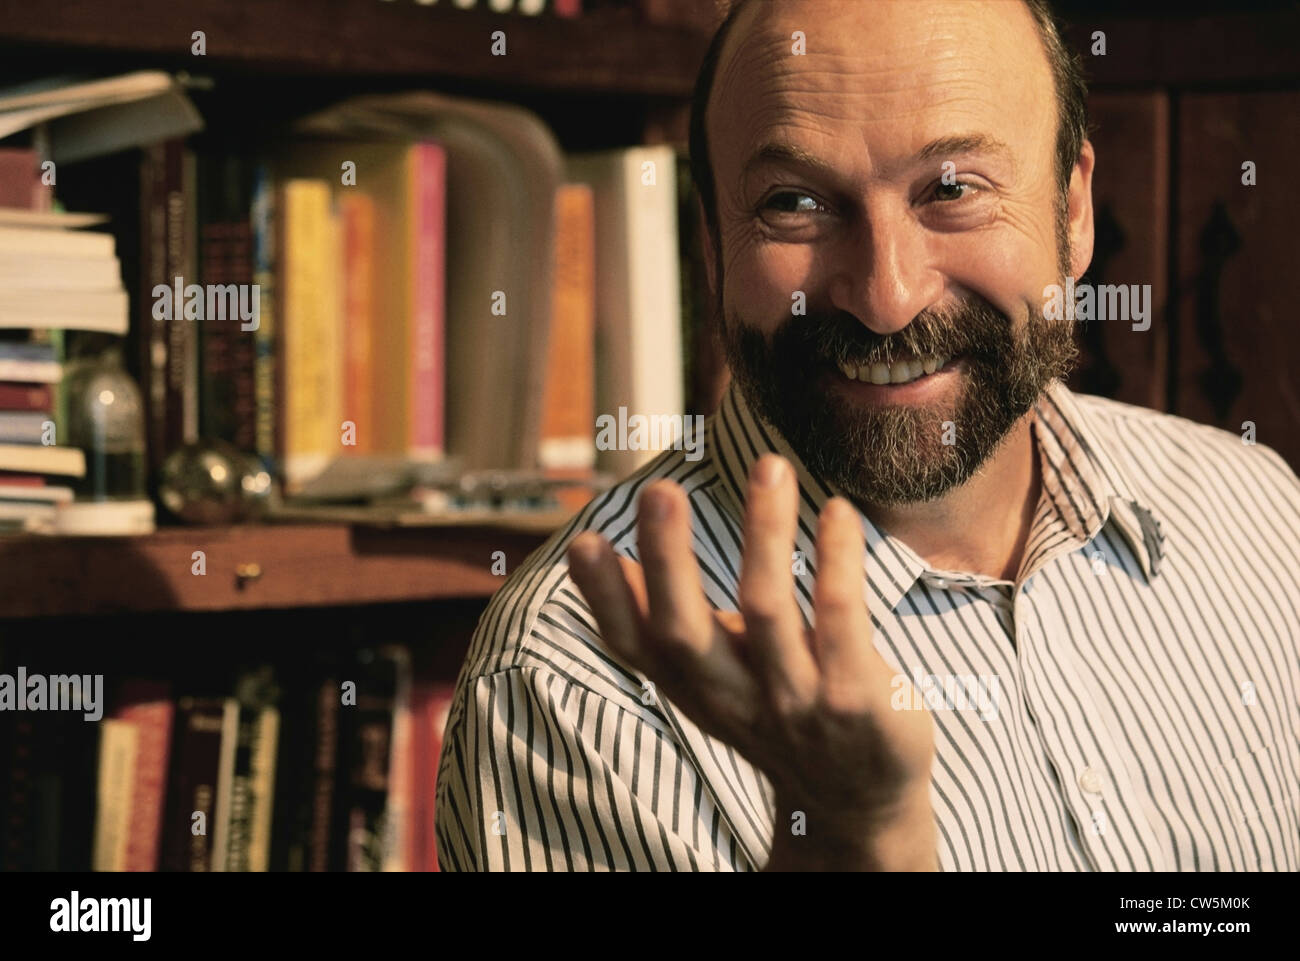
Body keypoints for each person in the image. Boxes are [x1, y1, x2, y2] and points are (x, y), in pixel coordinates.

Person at [435, 0, 1300, 871]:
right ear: (710, 243)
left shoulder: (1261, 514)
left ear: (1072, 210)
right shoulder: (570, 685)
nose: (886, 296)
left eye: (953, 189)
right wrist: (852, 840)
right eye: (796, 203)